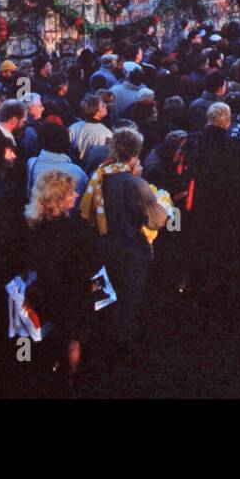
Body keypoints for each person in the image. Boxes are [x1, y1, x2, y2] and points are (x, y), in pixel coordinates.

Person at [82, 128, 168, 346]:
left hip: (100, 249)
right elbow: (156, 220)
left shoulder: (98, 174)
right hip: (129, 253)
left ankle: (101, 340)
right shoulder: (135, 184)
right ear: (135, 153)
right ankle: (122, 346)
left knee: (103, 300)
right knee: (128, 303)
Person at [24, 168, 99, 387]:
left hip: (48, 291)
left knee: (56, 331)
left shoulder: (35, 224)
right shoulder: (75, 228)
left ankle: (55, 367)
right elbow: (88, 264)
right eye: (71, 193)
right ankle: (71, 378)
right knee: (74, 338)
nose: (76, 195)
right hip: (74, 293)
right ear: (58, 199)